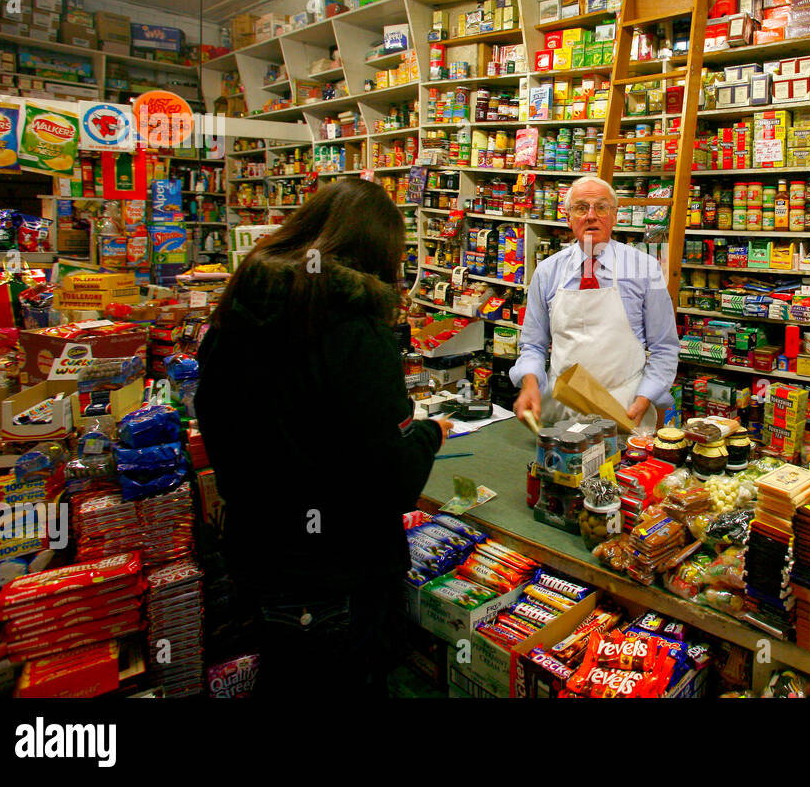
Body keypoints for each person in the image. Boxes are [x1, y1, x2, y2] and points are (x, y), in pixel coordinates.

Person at [194, 178, 451, 698]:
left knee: (286, 678)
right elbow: (392, 477)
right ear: (377, 254)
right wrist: (428, 432)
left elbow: (215, 422)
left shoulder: (239, 309)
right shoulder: (355, 327)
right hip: (337, 571)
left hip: (257, 555)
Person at [510, 175, 679, 432]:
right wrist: (530, 383)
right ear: (568, 218)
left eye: (601, 207)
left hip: (625, 408)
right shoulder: (547, 272)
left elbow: (664, 347)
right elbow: (533, 344)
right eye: (580, 208)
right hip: (561, 412)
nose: (591, 216)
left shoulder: (645, 268)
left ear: (614, 216)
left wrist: (645, 398)